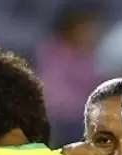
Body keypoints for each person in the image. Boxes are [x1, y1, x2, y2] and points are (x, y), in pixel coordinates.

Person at [36, 4, 105, 146]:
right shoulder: (53, 51)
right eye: (85, 27)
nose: (90, 31)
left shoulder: (91, 55)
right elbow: (54, 94)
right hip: (60, 121)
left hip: (82, 119)